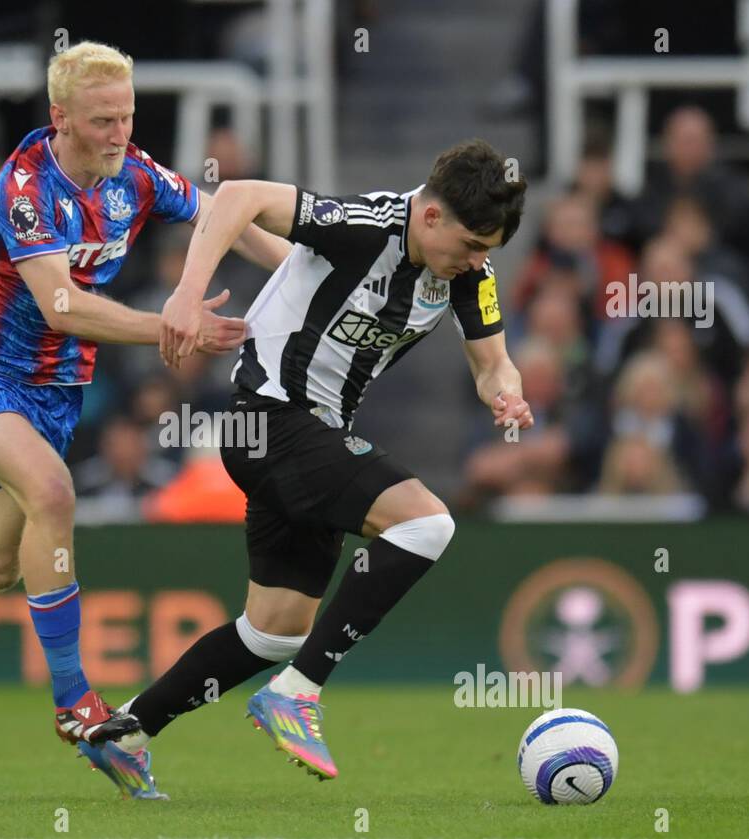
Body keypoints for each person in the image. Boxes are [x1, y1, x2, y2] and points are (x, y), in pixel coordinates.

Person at [0, 41, 290, 801]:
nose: (119, 133)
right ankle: (76, 704)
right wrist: (173, 322)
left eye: (127, 116)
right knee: (53, 494)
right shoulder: (25, 186)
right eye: (102, 120)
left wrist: (305, 270)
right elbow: (63, 305)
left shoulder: (136, 174)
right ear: (61, 119)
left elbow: (224, 214)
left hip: (57, 391)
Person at [108, 139, 530, 791]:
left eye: (488, 250)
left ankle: (126, 730)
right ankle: (298, 693)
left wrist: (506, 389)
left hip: (309, 439)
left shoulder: (471, 274)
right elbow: (240, 198)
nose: (477, 261)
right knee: (426, 525)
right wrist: (186, 296)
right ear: (431, 216)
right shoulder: (362, 226)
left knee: (272, 631)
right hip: (270, 422)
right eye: (472, 244)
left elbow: (491, 361)